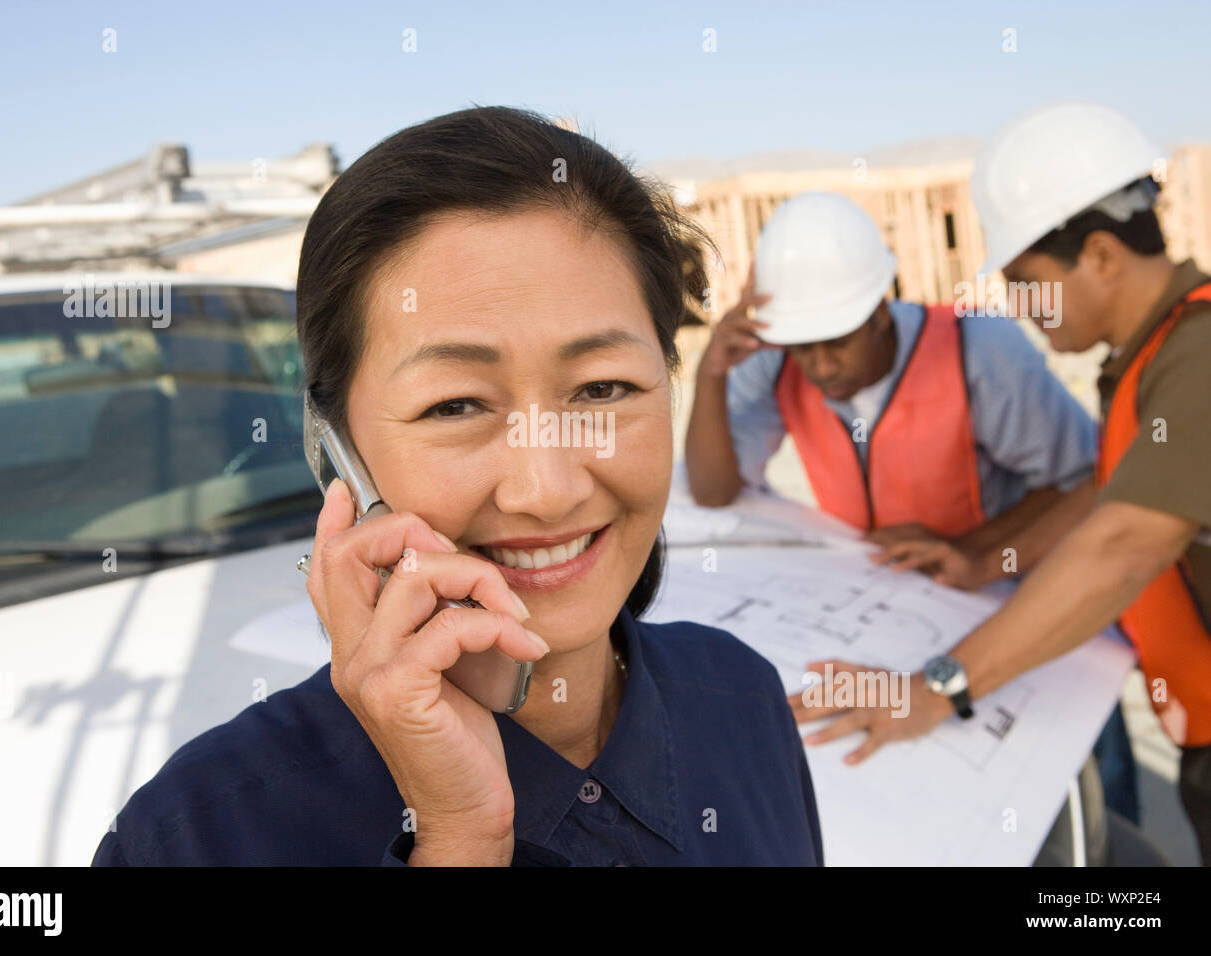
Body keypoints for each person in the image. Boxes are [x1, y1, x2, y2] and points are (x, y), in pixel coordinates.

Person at [91, 106, 822, 867]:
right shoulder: (201, 836)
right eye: (456, 405)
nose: (546, 489)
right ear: (333, 452)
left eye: (602, 389)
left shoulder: (743, 700)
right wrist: (461, 839)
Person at [788, 102, 1211, 865]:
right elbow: (1115, 492)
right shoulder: (1152, 360)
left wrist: (937, 688)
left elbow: (1123, 543)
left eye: (1028, 283)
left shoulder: (1200, 356)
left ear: (1104, 257)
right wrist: (985, 557)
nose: (1018, 307)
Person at [683, 191, 1139, 822]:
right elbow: (712, 490)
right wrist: (712, 371)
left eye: (834, 340)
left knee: (1088, 791)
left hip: (1031, 607)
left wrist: (979, 552)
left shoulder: (981, 353)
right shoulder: (777, 363)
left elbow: (1089, 484)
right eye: (801, 346)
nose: (819, 365)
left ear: (878, 306)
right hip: (908, 612)